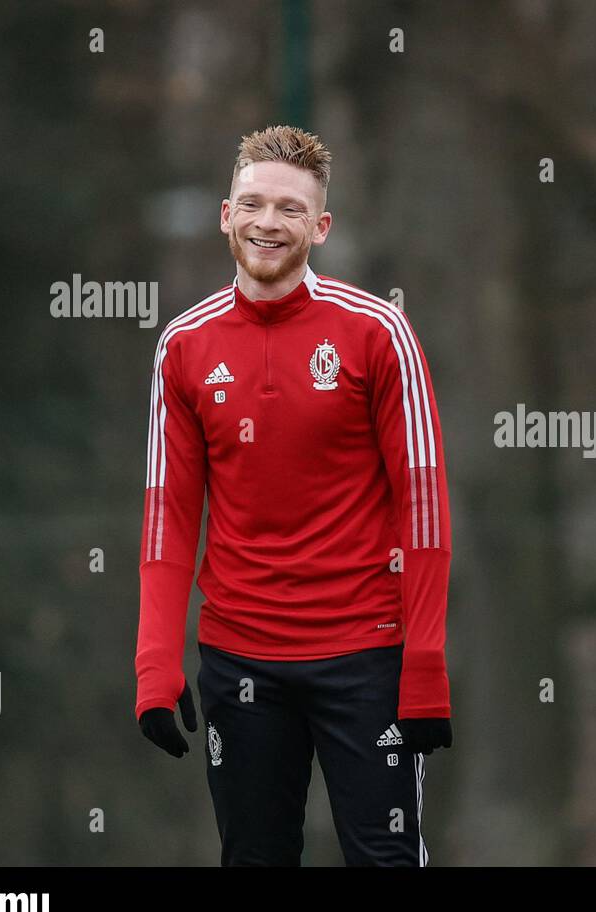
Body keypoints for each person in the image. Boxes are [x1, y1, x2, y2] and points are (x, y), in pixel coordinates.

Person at [134, 125, 452, 866]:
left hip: (365, 657)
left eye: (289, 208)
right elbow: (168, 516)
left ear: (321, 225)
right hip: (240, 660)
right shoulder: (183, 345)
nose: (267, 224)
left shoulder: (379, 332)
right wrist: (156, 662)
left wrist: (426, 662)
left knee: (385, 859)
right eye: (252, 204)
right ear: (224, 214)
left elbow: (425, 506)